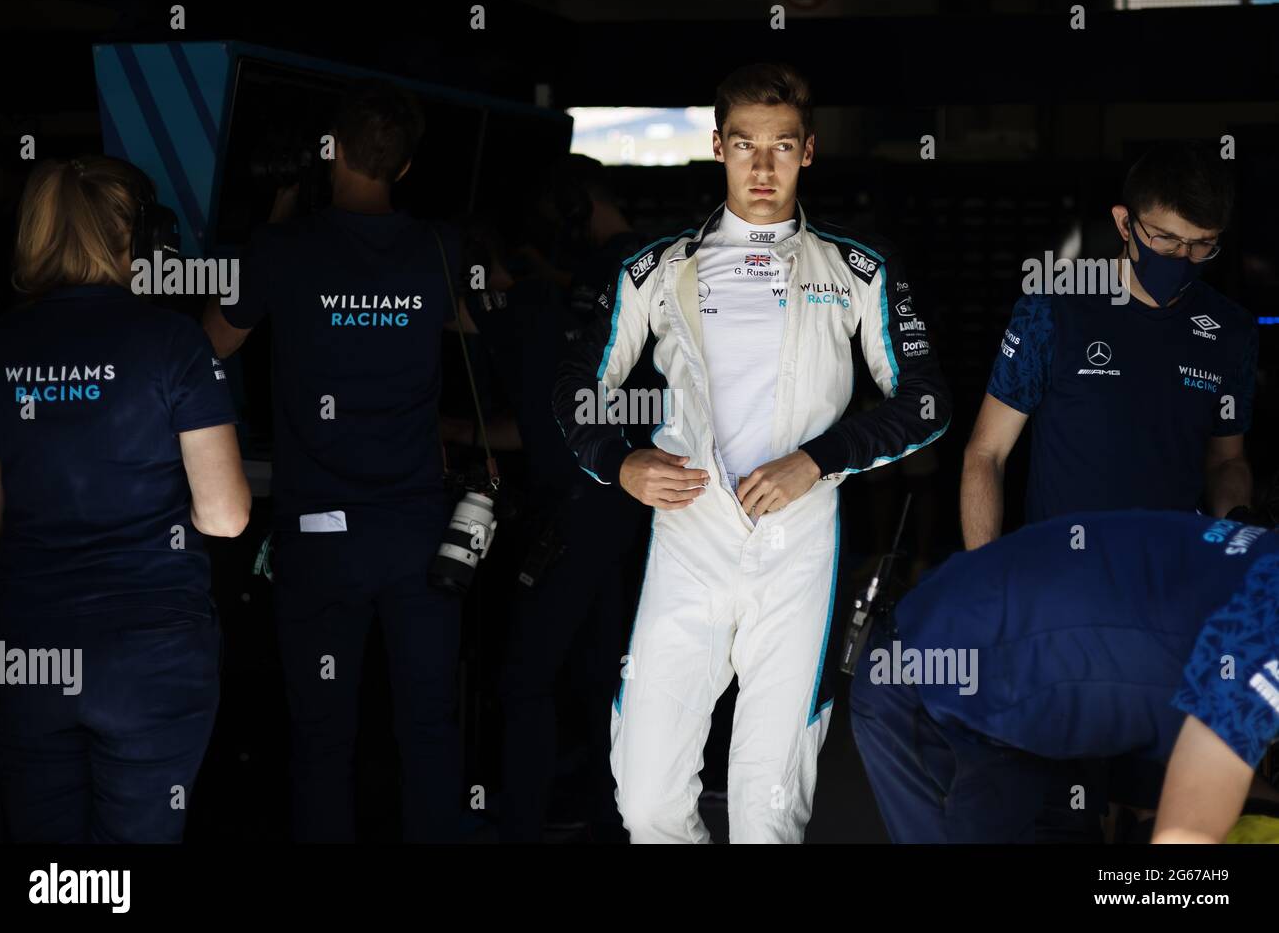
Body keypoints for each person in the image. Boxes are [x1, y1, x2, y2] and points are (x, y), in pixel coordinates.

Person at [553, 63, 951, 843]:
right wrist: (619, 461)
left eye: (780, 147)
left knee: (768, 812)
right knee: (646, 802)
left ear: (809, 150)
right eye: (744, 146)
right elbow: (576, 384)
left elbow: (927, 401)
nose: (762, 168)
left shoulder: (857, 267)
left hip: (801, 546)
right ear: (717, 147)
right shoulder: (654, 268)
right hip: (688, 537)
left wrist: (819, 458)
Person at [202, 79, 463, 842]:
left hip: (319, 533)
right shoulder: (441, 248)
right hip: (421, 529)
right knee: (429, 724)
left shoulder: (282, 249)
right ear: (407, 167)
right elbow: (491, 320)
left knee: (321, 737)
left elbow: (210, 344)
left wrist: (280, 219)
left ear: (333, 152)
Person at [0, 156, 249, 842]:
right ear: (142, 239)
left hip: (30, 650)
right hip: (149, 656)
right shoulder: (173, 343)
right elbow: (225, 516)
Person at [850, 510, 1279, 843]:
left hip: (1027, 700)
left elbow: (1227, 758)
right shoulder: (1267, 632)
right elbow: (1184, 840)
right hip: (930, 682)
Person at [464, 157, 653, 842]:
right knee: (602, 667)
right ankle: (606, 812)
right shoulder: (630, 266)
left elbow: (545, 419)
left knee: (526, 676)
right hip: (627, 498)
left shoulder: (576, 292)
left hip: (587, 497)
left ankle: (523, 822)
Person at [961, 141, 1258, 550]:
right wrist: (984, 578)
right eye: (1167, 240)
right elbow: (986, 453)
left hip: (1172, 576)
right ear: (1124, 224)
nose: (1184, 257)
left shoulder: (1231, 329)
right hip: (1064, 575)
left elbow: (1227, 460)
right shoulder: (1051, 310)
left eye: (1202, 244)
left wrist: (1239, 533)